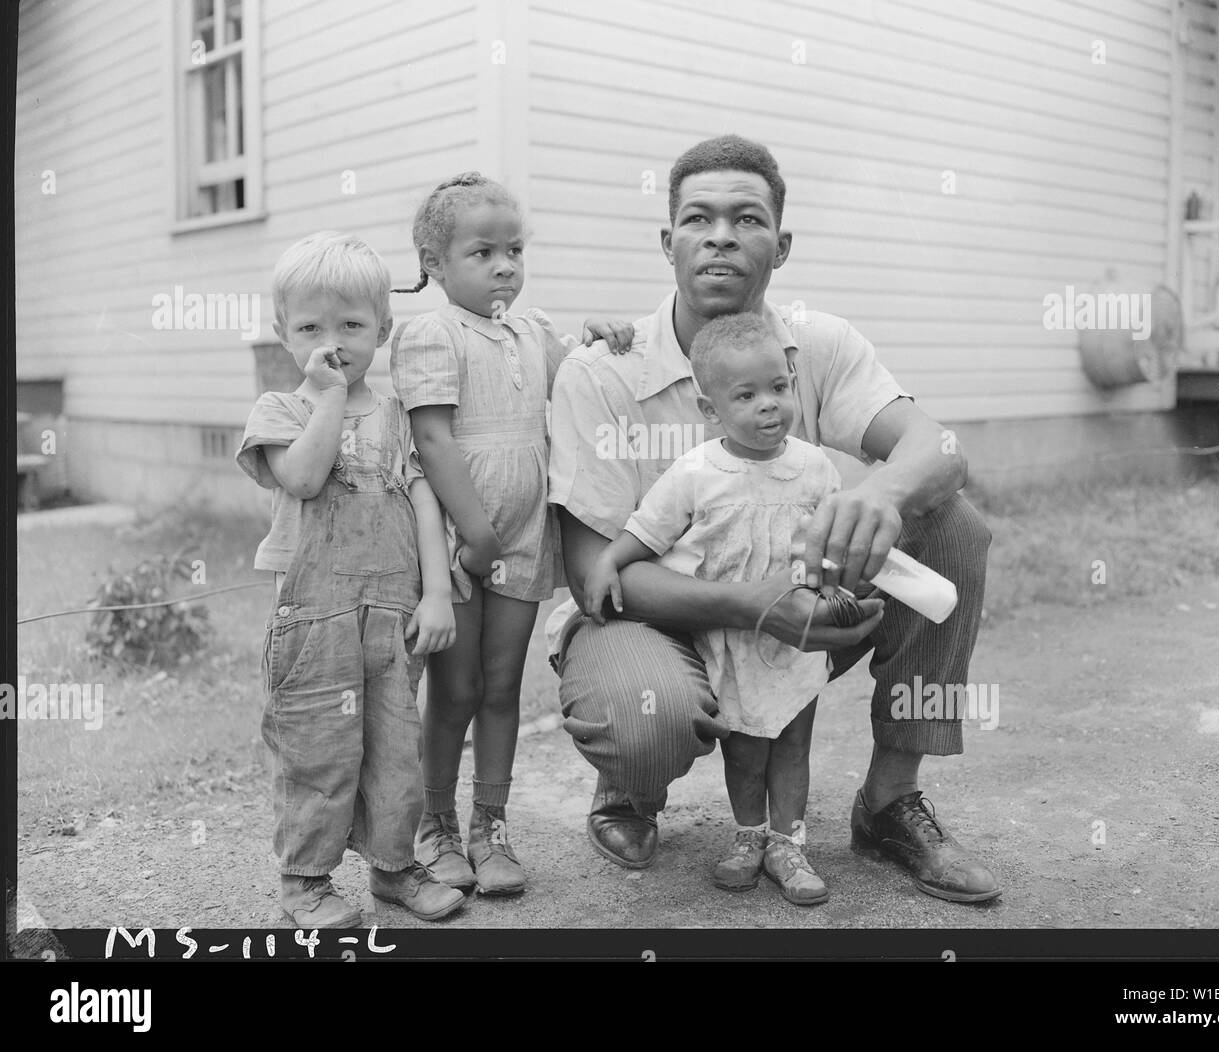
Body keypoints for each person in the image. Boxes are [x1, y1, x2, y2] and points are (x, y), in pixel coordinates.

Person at [548, 134, 1001, 903]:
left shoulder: (816, 342)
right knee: (643, 717)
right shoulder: (603, 371)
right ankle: (632, 784)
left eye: (747, 219)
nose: (721, 235)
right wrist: (759, 608)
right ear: (669, 243)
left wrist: (883, 495)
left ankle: (889, 803)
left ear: (781, 245)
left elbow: (938, 449)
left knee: (952, 524)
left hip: (793, 606)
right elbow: (597, 579)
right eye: (698, 218)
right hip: (654, 620)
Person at [389, 172, 633, 897]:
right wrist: (475, 534)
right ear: (434, 263)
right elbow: (432, 441)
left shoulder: (533, 332)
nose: (504, 266)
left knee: (500, 686)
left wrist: (598, 337)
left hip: (524, 534)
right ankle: (433, 823)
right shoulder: (430, 332)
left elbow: (579, 377)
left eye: (515, 250)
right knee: (455, 686)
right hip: (459, 541)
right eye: (483, 252)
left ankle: (489, 824)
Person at [584, 313, 876, 905]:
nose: (769, 405)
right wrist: (606, 563)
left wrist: (832, 588)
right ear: (711, 407)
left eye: (779, 387)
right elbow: (646, 534)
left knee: (793, 740)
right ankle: (749, 835)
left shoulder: (815, 466)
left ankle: (789, 843)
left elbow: (830, 541)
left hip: (795, 637)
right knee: (745, 748)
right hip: (732, 637)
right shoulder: (697, 473)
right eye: (746, 395)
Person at [237, 230, 466, 927]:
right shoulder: (281, 412)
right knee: (319, 751)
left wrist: (435, 592)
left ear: (384, 329)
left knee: (396, 751)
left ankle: (394, 871)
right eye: (310, 327)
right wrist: (331, 395)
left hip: (391, 613)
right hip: (314, 622)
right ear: (282, 332)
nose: (331, 341)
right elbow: (304, 478)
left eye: (352, 326)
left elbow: (424, 501)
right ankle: (306, 878)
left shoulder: (399, 418)